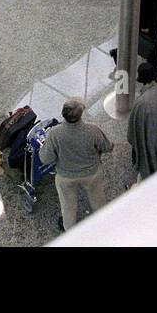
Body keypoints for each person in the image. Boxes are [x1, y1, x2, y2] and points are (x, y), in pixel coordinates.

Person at [39, 98, 114, 230]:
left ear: (63, 114)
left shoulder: (55, 134)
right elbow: (107, 147)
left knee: (68, 206)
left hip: (65, 176)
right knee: (98, 199)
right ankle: (104, 221)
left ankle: (70, 229)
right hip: (92, 173)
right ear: (80, 114)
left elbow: (45, 158)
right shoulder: (93, 130)